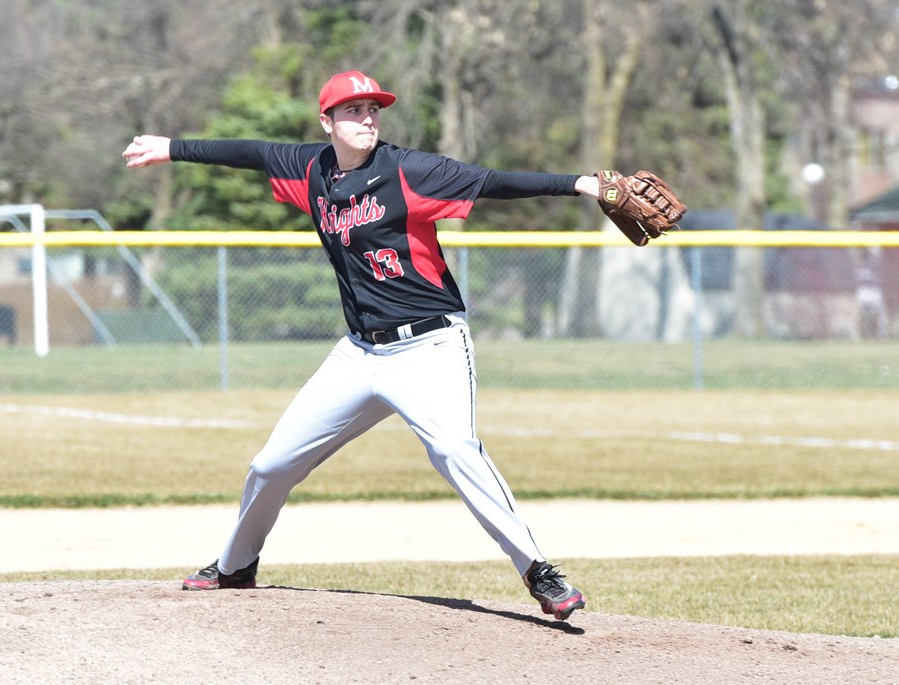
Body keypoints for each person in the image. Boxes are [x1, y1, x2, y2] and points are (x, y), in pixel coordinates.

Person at [123, 70, 605, 621]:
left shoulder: (408, 170)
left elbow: (493, 180)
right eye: (352, 110)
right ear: (326, 122)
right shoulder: (310, 167)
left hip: (430, 348)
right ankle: (235, 565)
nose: (367, 118)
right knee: (271, 464)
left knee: (454, 450)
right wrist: (172, 149)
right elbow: (250, 152)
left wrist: (580, 183)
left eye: (373, 109)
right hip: (358, 354)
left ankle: (538, 571)